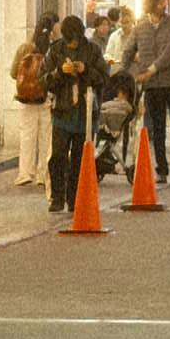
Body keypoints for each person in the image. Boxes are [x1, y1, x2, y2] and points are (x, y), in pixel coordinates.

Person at [128, 0, 170, 185]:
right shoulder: (140, 26)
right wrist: (128, 73)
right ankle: (161, 169)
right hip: (152, 85)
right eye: (162, 3)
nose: (165, 5)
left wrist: (150, 70)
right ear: (154, 5)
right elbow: (128, 50)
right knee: (158, 127)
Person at [44, 18, 103, 215]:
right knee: (58, 157)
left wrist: (86, 70)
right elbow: (44, 80)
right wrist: (60, 72)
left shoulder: (93, 50)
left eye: (76, 41)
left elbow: (104, 76)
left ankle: (75, 199)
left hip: (85, 114)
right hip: (61, 111)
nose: (73, 44)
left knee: (80, 159)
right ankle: (57, 198)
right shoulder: (55, 50)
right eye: (70, 41)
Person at [10, 20, 53, 188]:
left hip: (27, 100)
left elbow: (14, 73)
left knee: (27, 136)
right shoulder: (53, 50)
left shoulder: (24, 49)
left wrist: (27, 82)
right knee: (45, 137)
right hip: (46, 98)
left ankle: (25, 173)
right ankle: (43, 174)